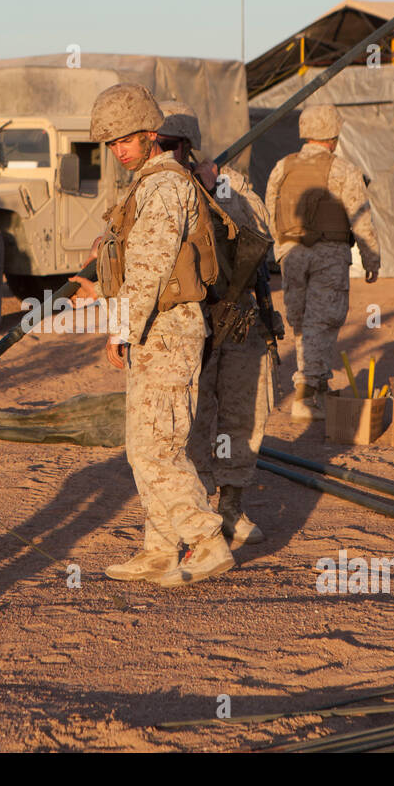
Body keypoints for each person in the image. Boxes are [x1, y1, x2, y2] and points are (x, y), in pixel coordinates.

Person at [70, 84, 231, 587]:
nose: (119, 150)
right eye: (111, 142)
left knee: (157, 446)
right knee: (146, 442)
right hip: (155, 330)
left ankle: (206, 541)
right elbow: (136, 265)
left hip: (166, 330)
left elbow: (153, 271)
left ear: (150, 134)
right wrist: (102, 290)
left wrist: (119, 329)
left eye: (127, 139)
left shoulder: (163, 186)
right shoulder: (148, 183)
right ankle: (161, 549)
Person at [157, 101, 270, 548]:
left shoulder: (230, 183)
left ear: (188, 145)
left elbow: (261, 234)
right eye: (157, 144)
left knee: (242, 413)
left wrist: (217, 191)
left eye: (170, 145)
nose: (164, 152)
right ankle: (198, 506)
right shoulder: (156, 188)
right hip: (188, 325)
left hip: (239, 320)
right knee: (192, 418)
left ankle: (232, 506)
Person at [265, 103, 379, 419]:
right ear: (333, 135)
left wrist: (282, 248)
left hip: (292, 253)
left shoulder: (282, 166)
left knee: (302, 322)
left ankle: (317, 384)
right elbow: (360, 218)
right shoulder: (344, 170)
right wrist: (371, 258)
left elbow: (271, 211)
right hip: (328, 254)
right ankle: (307, 393)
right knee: (323, 321)